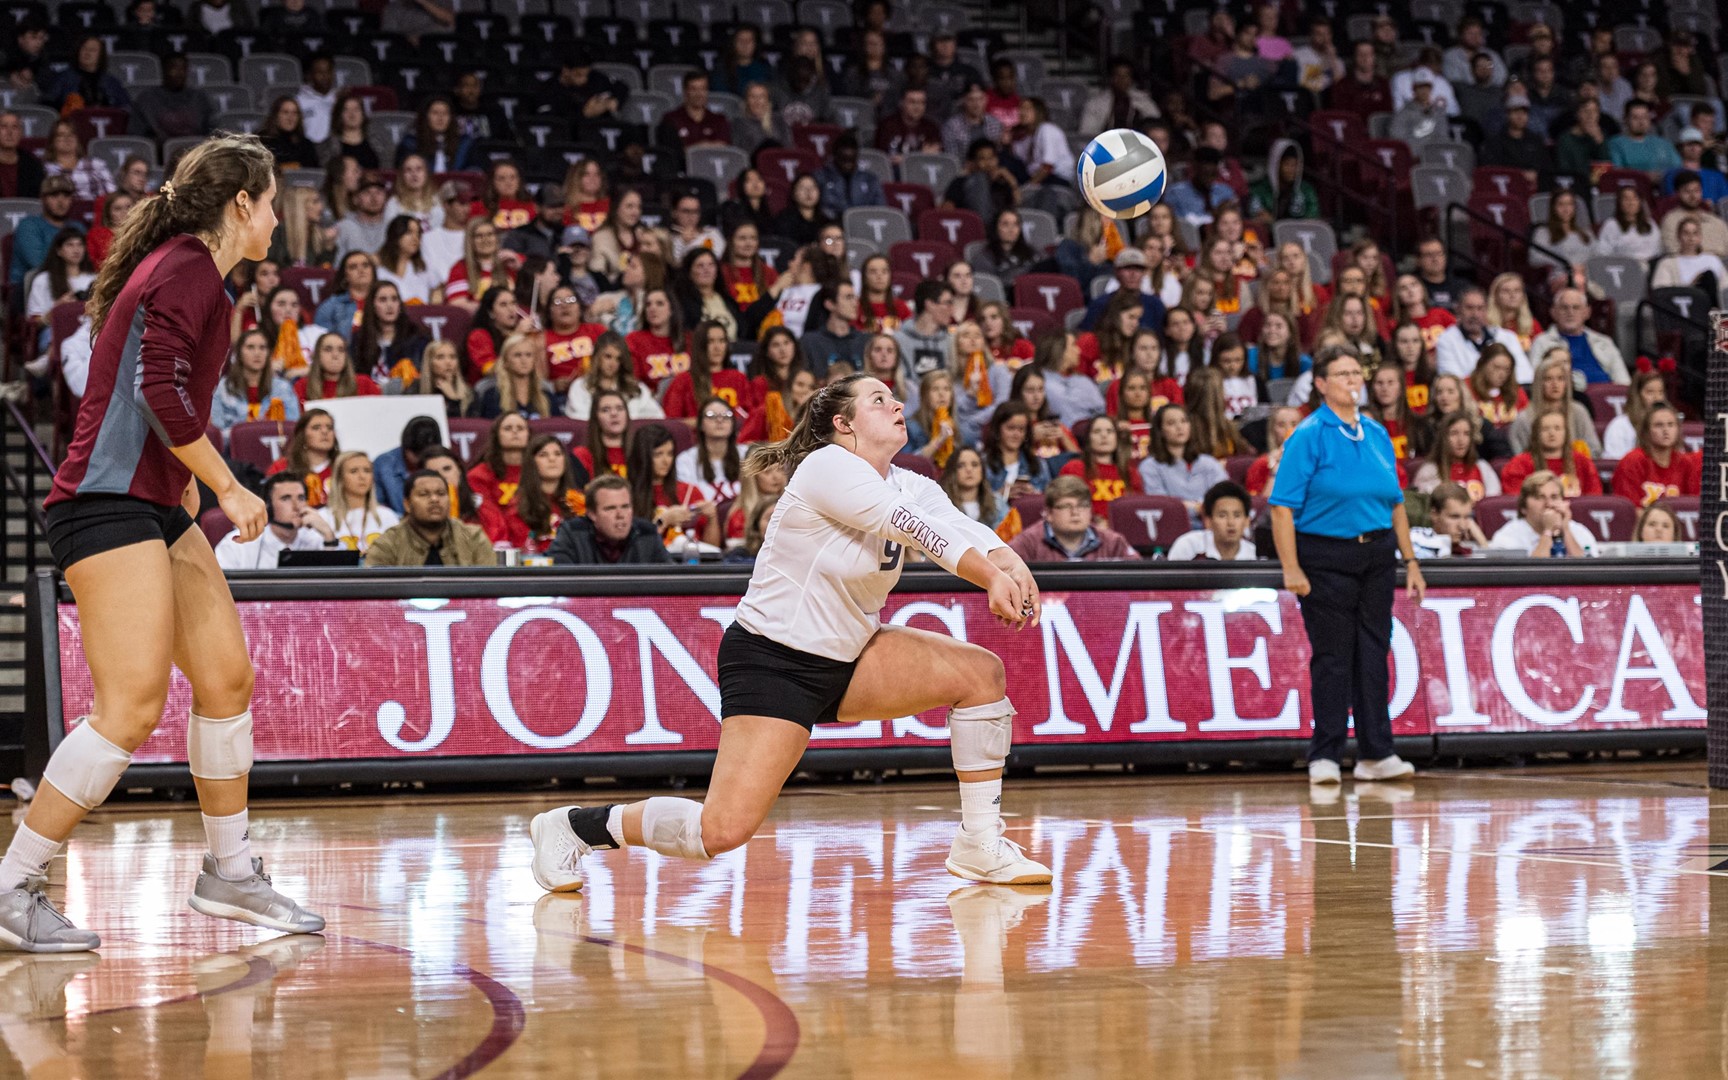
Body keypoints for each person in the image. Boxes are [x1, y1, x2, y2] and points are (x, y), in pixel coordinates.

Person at [530, 373, 1051, 890]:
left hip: (852, 653)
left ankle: (980, 843)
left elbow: (958, 523)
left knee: (982, 675)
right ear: (843, 424)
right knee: (720, 830)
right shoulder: (827, 467)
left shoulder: (909, 481)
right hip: (773, 661)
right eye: (879, 400)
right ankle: (574, 827)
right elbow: (915, 528)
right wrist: (988, 577)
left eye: (894, 398)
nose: (896, 406)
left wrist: (1009, 560)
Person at [21, 133, 323, 953]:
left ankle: (230, 873)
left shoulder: (196, 274)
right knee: (129, 709)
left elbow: (152, 390)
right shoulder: (188, 268)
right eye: (269, 205)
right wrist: (226, 484)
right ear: (241, 205)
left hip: (152, 500)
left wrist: (186, 479)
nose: (276, 222)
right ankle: (16, 882)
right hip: (103, 504)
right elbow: (156, 388)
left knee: (226, 678)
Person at [1269, 348, 1425, 785]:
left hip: (1376, 555)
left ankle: (1377, 752)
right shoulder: (1309, 434)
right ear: (1320, 384)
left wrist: (1409, 560)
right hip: (1325, 556)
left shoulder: (1375, 433)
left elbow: (1395, 503)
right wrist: (1291, 568)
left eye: (1357, 372)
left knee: (1374, 652)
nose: (1353, 380)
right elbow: (1281, 507)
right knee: (1334, 656)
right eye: (1342, 374)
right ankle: (1325, 753)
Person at [364, 470, 498, 566]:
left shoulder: (473, 537)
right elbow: (374, 594)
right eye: (423, 494)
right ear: (407, 504)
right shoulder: (388, 543)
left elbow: (491, 589)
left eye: (441, 493)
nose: (434, 499)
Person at [211, 473, 337, 569]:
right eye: (286, 498)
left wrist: (329, 537)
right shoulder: (237, 544)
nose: (297, 506)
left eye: (301, 498)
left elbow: (338, 589)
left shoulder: (319, 538)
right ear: (268, 507)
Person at [1007, 474, 1140, 563]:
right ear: (1048, 513)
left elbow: (1139, 577)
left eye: (1082, 505)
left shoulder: (1113, 542)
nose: (1075, 512)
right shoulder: (1026, 543)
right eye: (1066, 506)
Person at [546, 474, 673, 565]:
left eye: (625, 506)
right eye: (610, 508)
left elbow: (671, 582)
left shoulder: (647, 533)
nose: (620, 515)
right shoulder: (572, 533)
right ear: (592, 514)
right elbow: (556, 580)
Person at [1527, 287, 1628, 387]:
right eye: (1564, 308)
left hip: (1606, 397)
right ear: (1553, 312)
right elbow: (1535, 381)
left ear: (1587, 312)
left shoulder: (1604, 342)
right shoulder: (1542, 342)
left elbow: (1623, 381)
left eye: (1576, 307)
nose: (1570, 313)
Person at [209, 327, 301, 432]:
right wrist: (249, 432)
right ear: (239, 353)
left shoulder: (283, 388)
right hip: (236, 446)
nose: (257, 353)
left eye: (262, 348)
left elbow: (294, 428)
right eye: (250, 347)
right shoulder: (224, 387)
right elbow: (218, 432)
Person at [1434, 287, 1532, 383]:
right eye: (1469, 308)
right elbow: (1453, 381)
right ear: (1458, 310)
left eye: (1480, 308)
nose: (1475, 314)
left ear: (1486, 311)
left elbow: (1525, 376)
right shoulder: (1446, 339)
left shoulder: (1507, 337)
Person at [1611, 402, 1701, 506]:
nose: (1665, 430)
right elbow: (1628, 511)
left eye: (1671, 424)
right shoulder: (1632, 462)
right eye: (1658, 425)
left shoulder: (1686, 463)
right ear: (1646, 431)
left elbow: (1694, 507)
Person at [1499, 407, 1603, 497]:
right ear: (1536, 434)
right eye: (1545, 429)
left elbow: (1593, 500)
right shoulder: (1519, 464)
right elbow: (1515, 501)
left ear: (1566, 433)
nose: (1552, 433)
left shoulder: (1583, 462)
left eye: (1557, 428)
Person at [1489, 471, 1597, 557]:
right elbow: (1530, 576)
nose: (1549, 504)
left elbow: (1588, 573)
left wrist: (1566, 530)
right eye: (1539, 497)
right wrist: (1548, 531)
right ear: (1523, 507)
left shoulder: (1579, 531)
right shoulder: (1507, 537)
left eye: (1554, 497)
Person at [1165, 481, 1255, 561]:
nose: (1231, 523)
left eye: (1237, 515)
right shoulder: (1188, 547)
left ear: (1247, 521)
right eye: (1222, 515)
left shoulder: (1254, 554)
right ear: (1208, 521)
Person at [373, 416, 443, 515]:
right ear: (405, 447)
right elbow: (376, 505)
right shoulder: (384, 465)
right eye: (416, 453)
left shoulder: (444, 462)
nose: (420, 459)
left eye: (425, 454)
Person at [1409, 481, 1487, 558]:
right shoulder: (1413, 544)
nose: (1462, 526)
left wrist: (1482, 541)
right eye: (1454, 517)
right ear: (1434, 514)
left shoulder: (1466, 551)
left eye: (1467, 517)